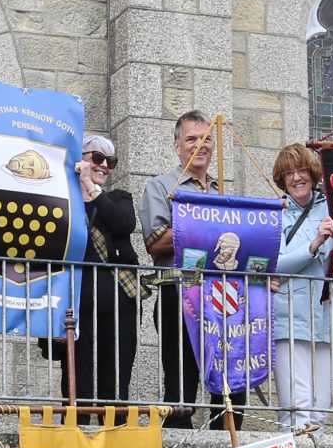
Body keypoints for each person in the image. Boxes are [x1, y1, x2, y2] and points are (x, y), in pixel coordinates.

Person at [140, 110, 225, 431]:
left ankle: (223, 447)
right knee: (180, 384)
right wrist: (206, 226)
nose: (199, 146)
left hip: (221, 297)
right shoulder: (161, 187)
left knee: (227, 380)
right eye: (191, 139)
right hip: (178, 294)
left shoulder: (220, 190)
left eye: (206, 139)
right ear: (177, 146)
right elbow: (155, 242)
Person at [268, 144, 333, 433]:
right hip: (289, 318)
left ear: (313, 173)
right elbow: (272, 264)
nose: (296, 178)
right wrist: (313, 244)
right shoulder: (275, 214)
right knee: (295, 411)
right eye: (288, 173)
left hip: (331, 316)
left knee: (320, 411)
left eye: (301, 170)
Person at [70, 134, 142, 410]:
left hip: (118, 301)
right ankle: (78, 436)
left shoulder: (119, 198)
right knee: (78, 377)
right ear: (81, 159)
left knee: (116, 378)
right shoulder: (66, 200)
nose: (104, 166)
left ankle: (114, 438)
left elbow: (122, 224)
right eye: (96, 158)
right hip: (77, 303)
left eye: (110, 161)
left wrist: (91, 186)